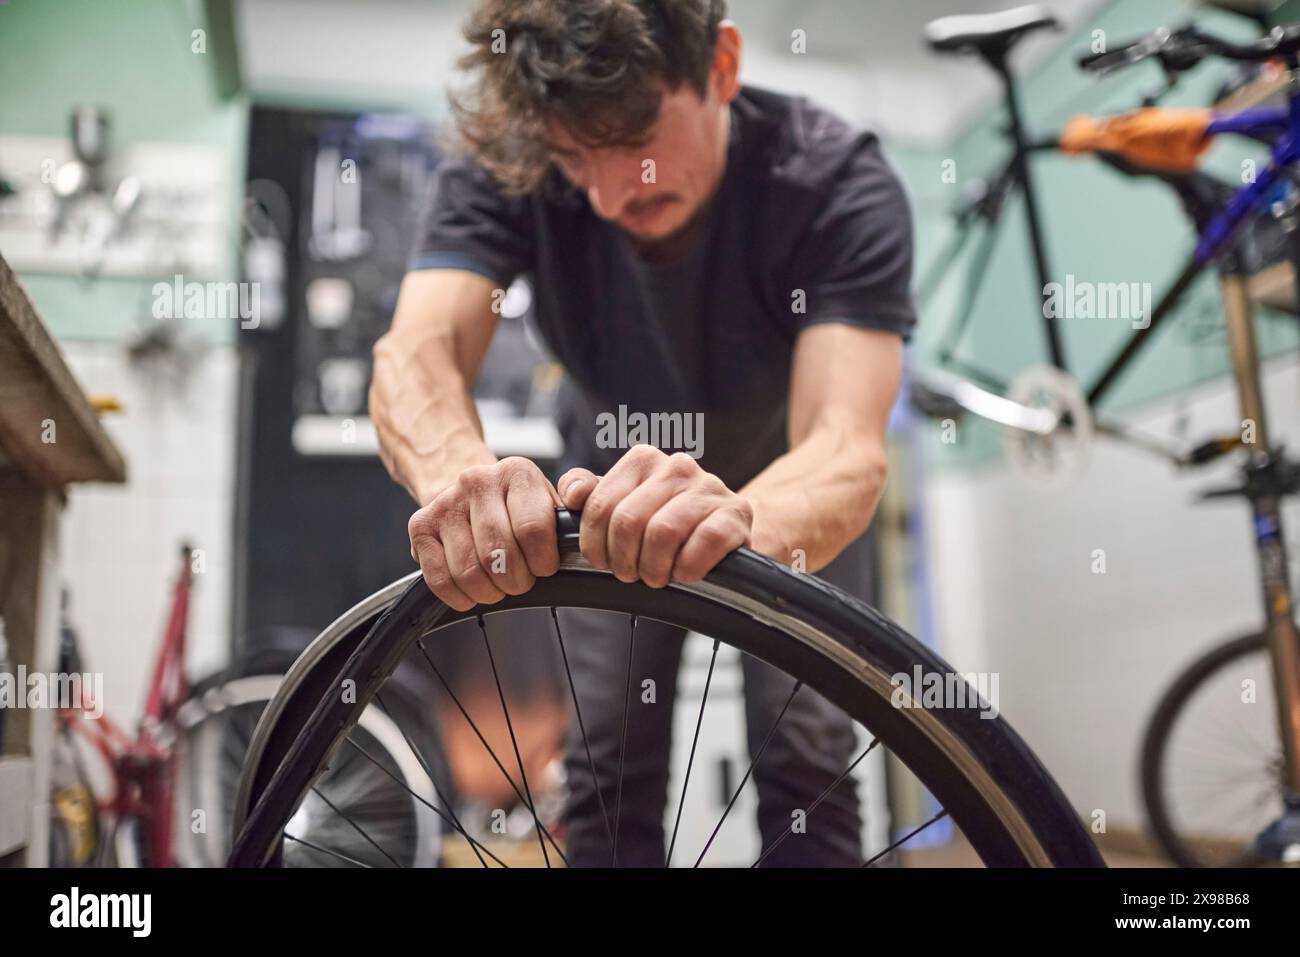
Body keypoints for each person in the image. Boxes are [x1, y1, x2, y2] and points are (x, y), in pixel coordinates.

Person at [369, 0, 915, 866]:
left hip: (789, 489)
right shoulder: (512, 158)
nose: (609, 192)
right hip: (602, 489)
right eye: (574, 156)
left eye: (635, 140)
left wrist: (735, 519)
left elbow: (846, 442)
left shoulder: (835, 180)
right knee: (604, 762)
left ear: (722, 67)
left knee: (805, 754)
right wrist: (456, 476)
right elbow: (414, 353)